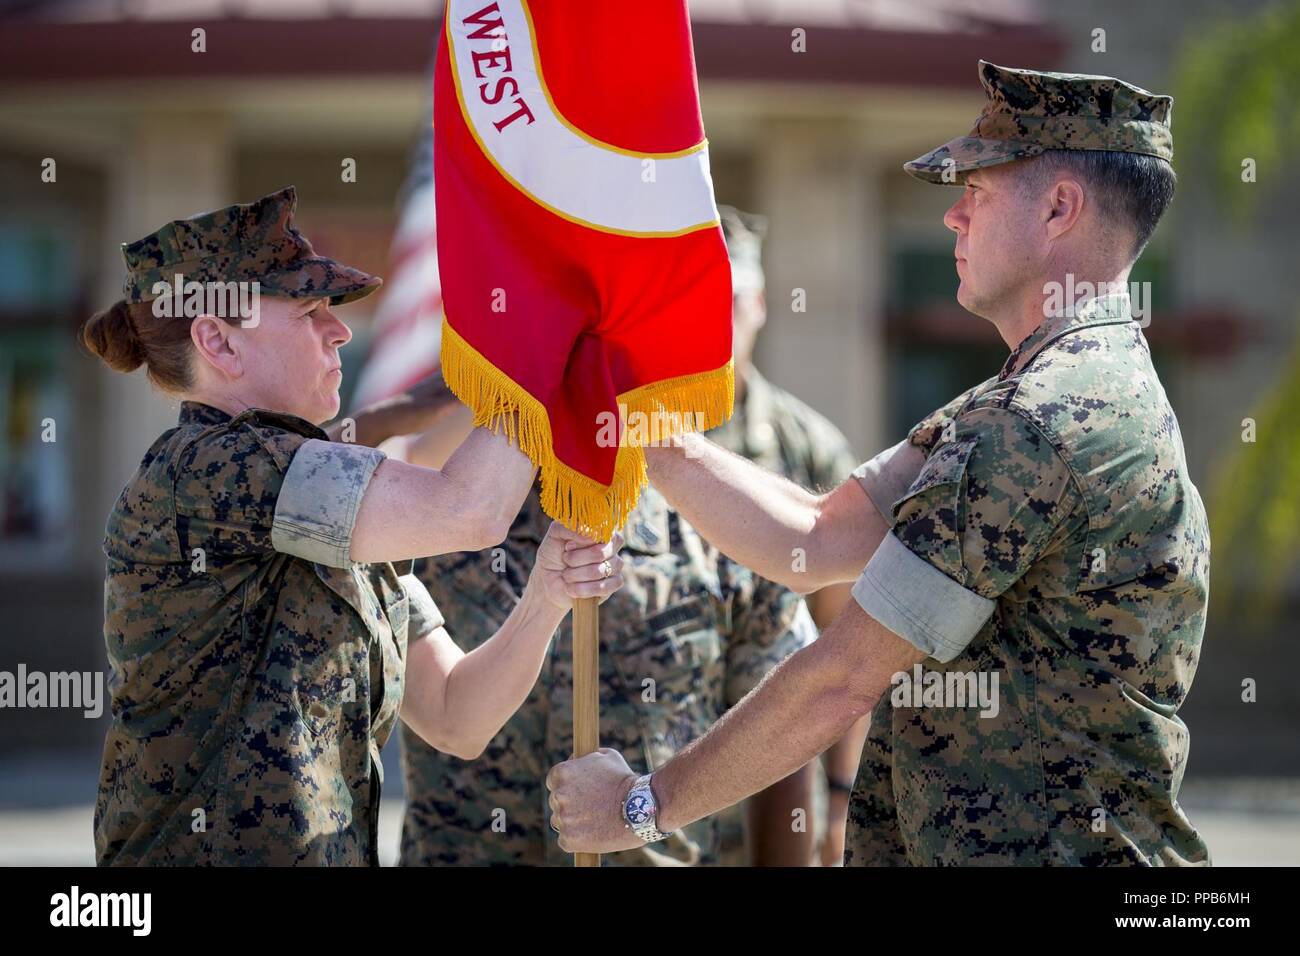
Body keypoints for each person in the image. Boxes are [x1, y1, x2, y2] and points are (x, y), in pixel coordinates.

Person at [546, 62, 1212, 866]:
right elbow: (814, 539)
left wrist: (639, 807)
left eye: (980, 190)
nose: (953, 216)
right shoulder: (1029, 397)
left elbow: (844, 675)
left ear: (1061, 209)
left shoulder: (1045, 420)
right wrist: (636, 422)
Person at [82, 185, 623, 866]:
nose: (340, 330)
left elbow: (459, 716)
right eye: (308, 311)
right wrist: (548, 333)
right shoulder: (208, 467)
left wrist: (545, 596)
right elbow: (470, 509)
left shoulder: (321, 494)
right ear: (217, 340)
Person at [707, 206, 865, 865]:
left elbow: (851, 641)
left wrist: (843, 797)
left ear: (761, 303)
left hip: (779, 808)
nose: (712, 317)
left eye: (729, 299)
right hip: (645, 806)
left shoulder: (809, 450)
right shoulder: (618, 442)